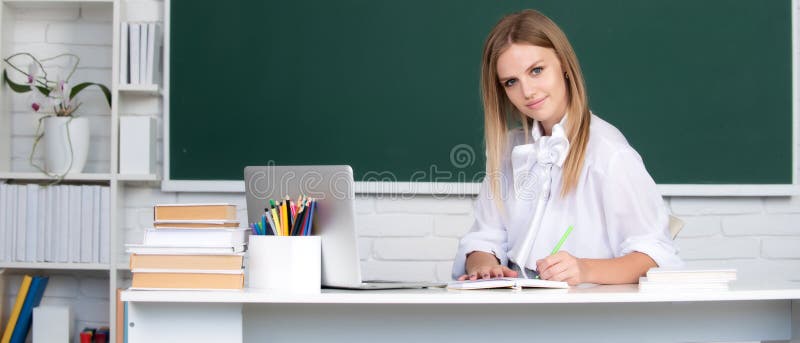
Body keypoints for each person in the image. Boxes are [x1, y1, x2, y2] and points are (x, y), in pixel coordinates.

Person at [452, 9, 682, 285]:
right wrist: (485, 265)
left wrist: (584, 269)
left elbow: (655, 255)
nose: (527, 92)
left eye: (536, 71)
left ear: (563, 63)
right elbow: (484, 236)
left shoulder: (609, 154)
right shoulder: (510, 151)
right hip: (516, 312)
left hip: (588, 316)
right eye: (511, 82)